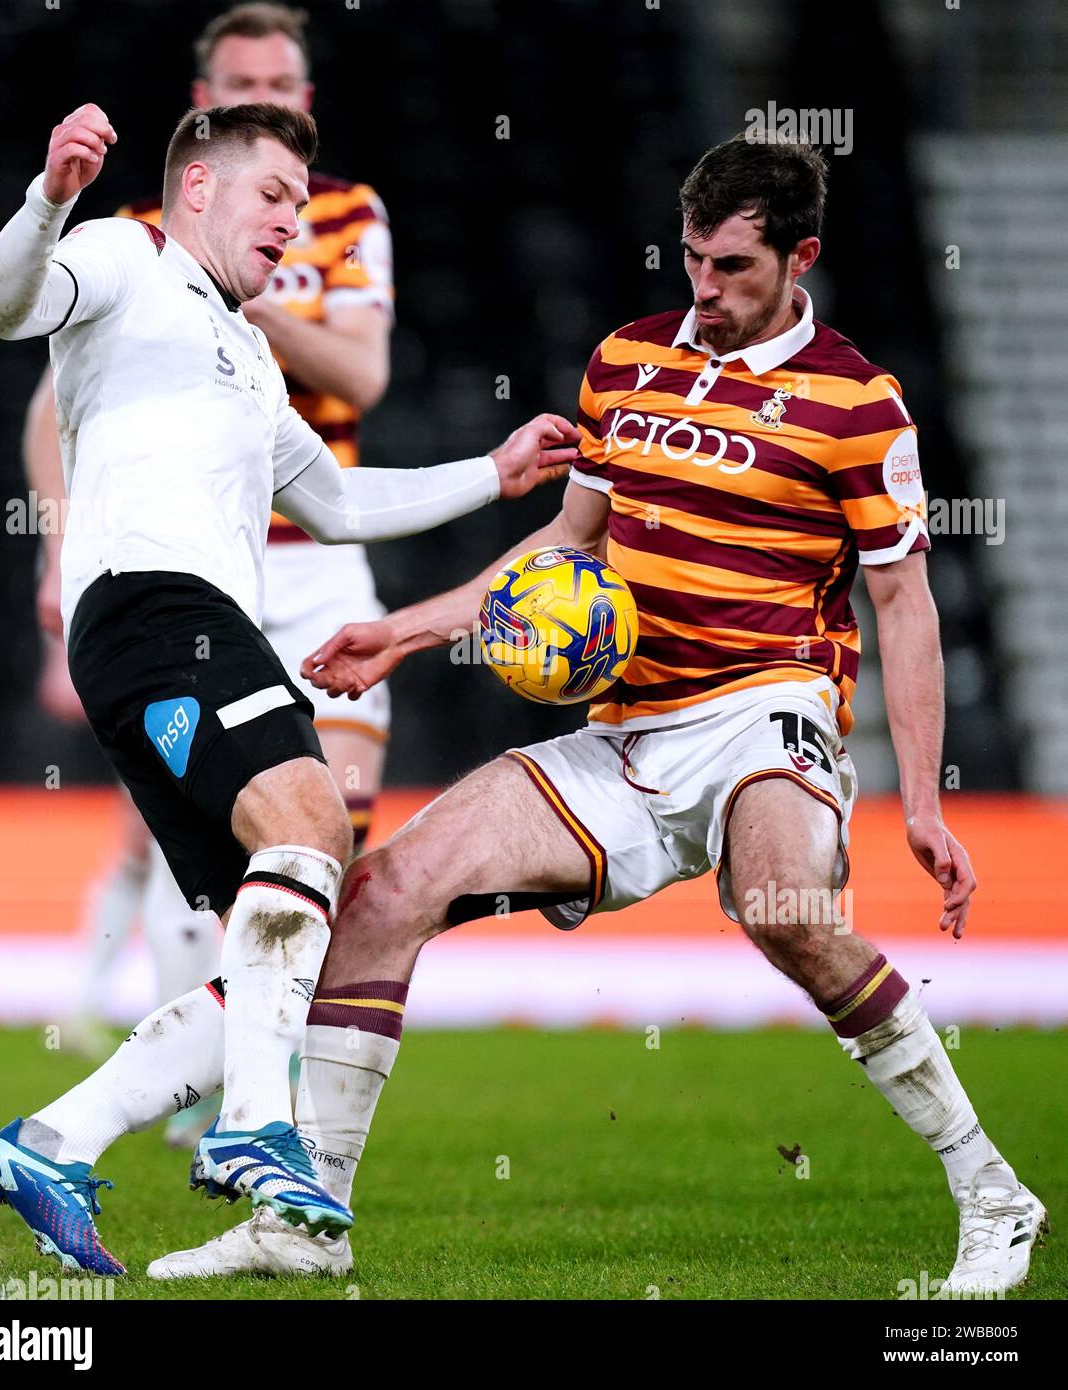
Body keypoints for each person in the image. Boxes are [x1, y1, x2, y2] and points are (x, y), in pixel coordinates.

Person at [150, 136, 1046, 1295]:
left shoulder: (856, 404)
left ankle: (991, 1193)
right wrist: (408, 630)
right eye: (689, 259)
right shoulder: (625, 359)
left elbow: (901, 602)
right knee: (380, 893)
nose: (702, 289)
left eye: (729, 267)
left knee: (783, 908)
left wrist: (922, 803)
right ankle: (305, 1221)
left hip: (767, 712)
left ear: (798, 256)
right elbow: (565, 545)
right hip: (625, 730)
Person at [0, 98, 578, 1275]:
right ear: (197, 187)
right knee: (309, 820)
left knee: (301, 900)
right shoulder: (127, 253)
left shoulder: (248, 355)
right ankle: (255, 1126)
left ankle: (56, 1137)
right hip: (155, 609)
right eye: (274, 198)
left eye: (301, 205)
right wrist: (51, 195)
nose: (293, 226)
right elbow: (4, 307)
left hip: (191, 632)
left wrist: (497, 476)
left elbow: (340, 501)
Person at [25, 5, 395, 1128]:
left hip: (317, 568)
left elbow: (364, 378)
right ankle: (222, 1108)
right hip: (181, 565)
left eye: (285, 81)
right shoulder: (141, 237)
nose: (271, 96)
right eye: (245, 82)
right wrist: (62, 547)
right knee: (206, 847)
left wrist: (244, 288)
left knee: (334, 834)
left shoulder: (341, 216)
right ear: (204, 103)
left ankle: (244, 1094)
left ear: (310, 97)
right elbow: (51, 413)